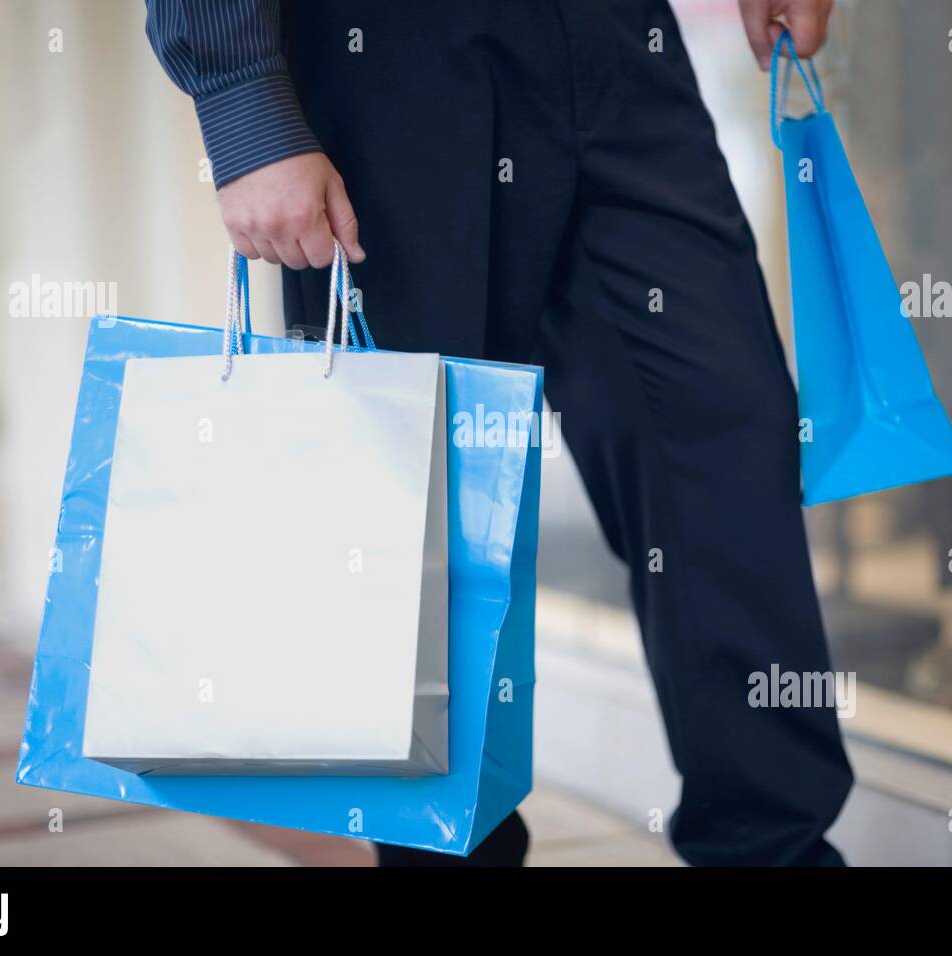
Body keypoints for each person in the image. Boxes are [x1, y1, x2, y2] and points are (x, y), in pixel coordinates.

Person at [144, 0, 851, 867]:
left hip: (616, 41)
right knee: (418, 507)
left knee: (724, 431)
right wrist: (240, 93)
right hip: (381, 58)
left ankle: (771, 852)